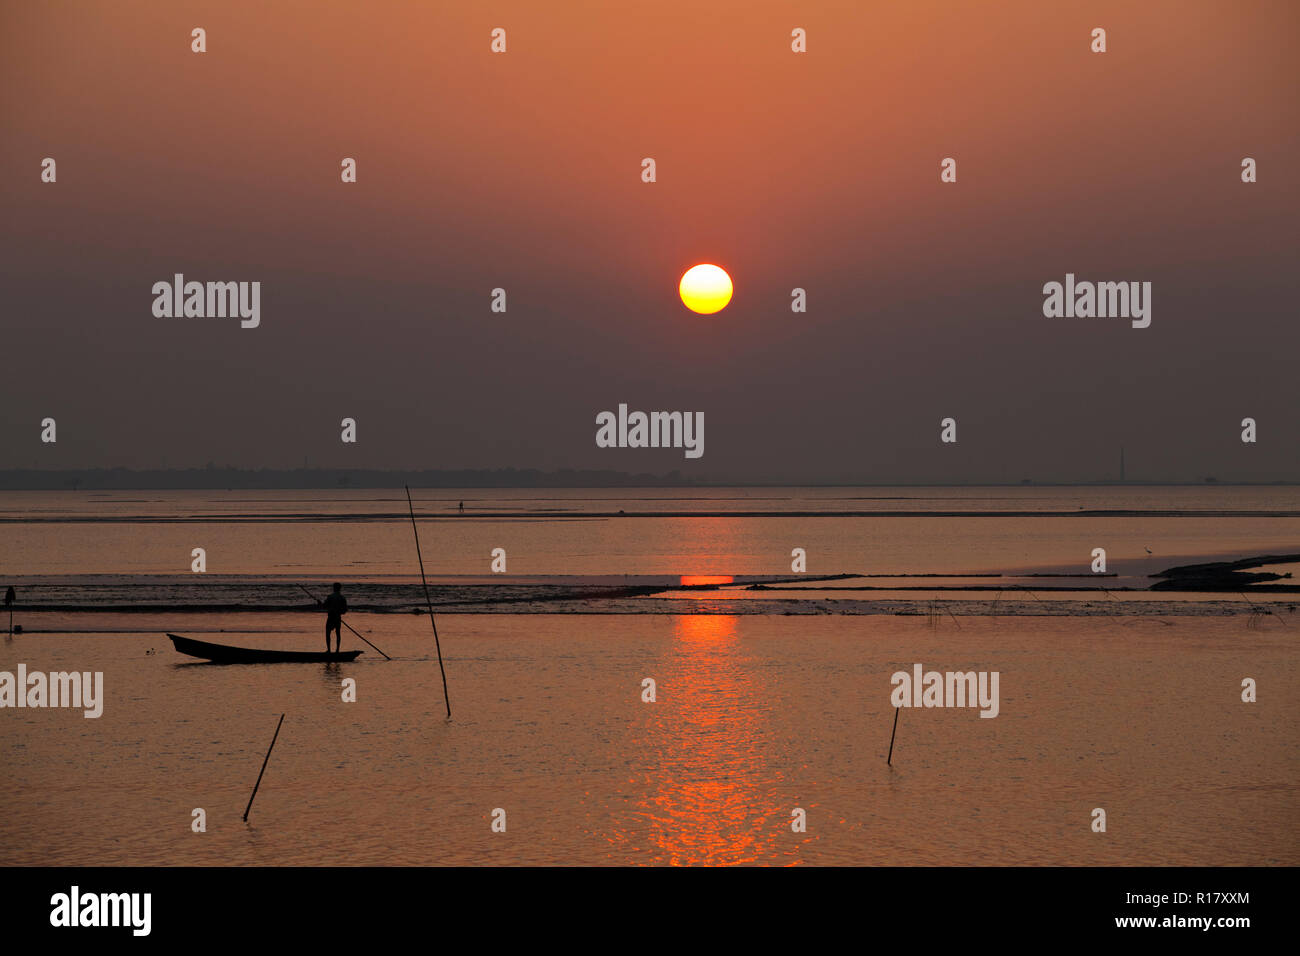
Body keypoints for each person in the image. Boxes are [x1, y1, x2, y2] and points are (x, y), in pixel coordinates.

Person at [321, 582, 348, 653]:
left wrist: (320, 604)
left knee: (328, 633)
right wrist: (339, 613)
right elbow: (345, 610)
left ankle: (329, 650)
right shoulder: (342, 598)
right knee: (338, 634)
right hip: (338, 618)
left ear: (334, 588)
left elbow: (324, 606)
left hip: (331, 617)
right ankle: (337, 650)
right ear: (340, 588)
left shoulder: (330, 597)